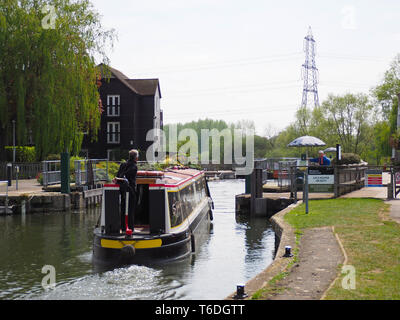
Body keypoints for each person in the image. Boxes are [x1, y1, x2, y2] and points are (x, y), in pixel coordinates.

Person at [113, 150, 138, 232]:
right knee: (130, 209)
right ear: (136, 158)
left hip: (122, 190)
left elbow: (119, 176)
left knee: (123, 208)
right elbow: (128, 176)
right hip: (130, 190)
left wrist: (118, 179)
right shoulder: (134, 166)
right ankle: (130, 228)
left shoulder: (123, 164)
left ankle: (123, 227)